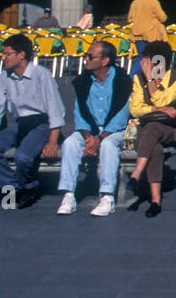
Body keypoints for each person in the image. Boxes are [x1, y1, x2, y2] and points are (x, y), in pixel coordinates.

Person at [0, 33, 65, 210]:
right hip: (20, 124)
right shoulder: (5, 76)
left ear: (21, 55)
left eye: (7, 54)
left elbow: (55, 110)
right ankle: (13, 188)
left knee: (22, 157)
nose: (3, 58)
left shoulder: (42, 75)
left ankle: (29, 187)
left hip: (42, 124)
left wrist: (52, 141)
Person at [56, 41, 131, 217]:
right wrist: (88, 136)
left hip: (115, 131)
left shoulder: (122, 81)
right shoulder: (83, 82)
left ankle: (107, 196)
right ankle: (68, 194)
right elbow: (80, 112)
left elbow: (121, 116)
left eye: (90, 56)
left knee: (108, 146)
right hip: (90, 130)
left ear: (105, 61)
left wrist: (100, 138)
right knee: (70, 143)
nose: (86, 59)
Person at [126, 40, 176, 218]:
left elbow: (163, 99)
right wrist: (156, 110)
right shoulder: (138, 79)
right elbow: (135, 109)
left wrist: (151, 80)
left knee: (153, 128)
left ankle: (137, 173)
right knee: (156, 149)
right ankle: (155, 200)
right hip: (145, 130)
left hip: (168, 129)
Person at [127, 0, 168, 76]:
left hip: (138, 35)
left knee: (141, 57)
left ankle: (133, 78)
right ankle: (157, 79)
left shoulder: (135, 2)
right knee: (157, 57)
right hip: (152, 34)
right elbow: (162, 17)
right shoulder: (153, 2)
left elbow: (129, 18)